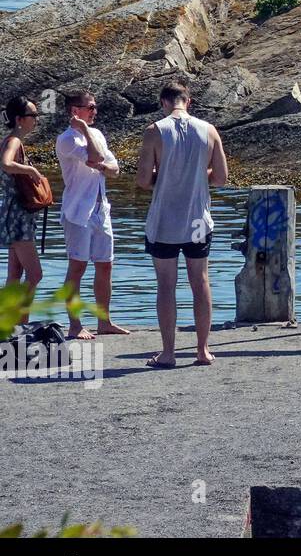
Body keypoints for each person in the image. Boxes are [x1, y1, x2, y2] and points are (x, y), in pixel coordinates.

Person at [136, 79, 228, 368]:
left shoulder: (154, 131)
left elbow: (142, 180)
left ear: (164, 103)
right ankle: (203, 350)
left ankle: (168, 353)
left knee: (166, 285)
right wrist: (198, 176)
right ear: (188, 102)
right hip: (198, 220)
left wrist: (165, 178)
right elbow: (221, 178)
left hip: (164, 220)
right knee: (200, 281)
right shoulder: (209, 130)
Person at [55, 90, 129, 339]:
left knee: (105, 265)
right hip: (78, 211)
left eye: (95, 107)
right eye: (90, 107)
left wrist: (102, 164)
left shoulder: (97, 134)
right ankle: (75, 324)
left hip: (101, 209)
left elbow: (115, 169)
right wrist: (85, 130)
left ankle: (104, 321)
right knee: (77, 267)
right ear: (75, 111)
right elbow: (95, 157)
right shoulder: (67, 139)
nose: (95, 111)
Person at [0, 96, 44, 314]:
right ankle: (19, 321)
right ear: (19, 119)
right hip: (18, 215)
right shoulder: (14, 141)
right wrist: (31, 170)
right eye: (32, 115)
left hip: (13, 213)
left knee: (15, 274)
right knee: (35, 275)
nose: (36, 119)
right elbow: (6, 164)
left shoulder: (12, 140)